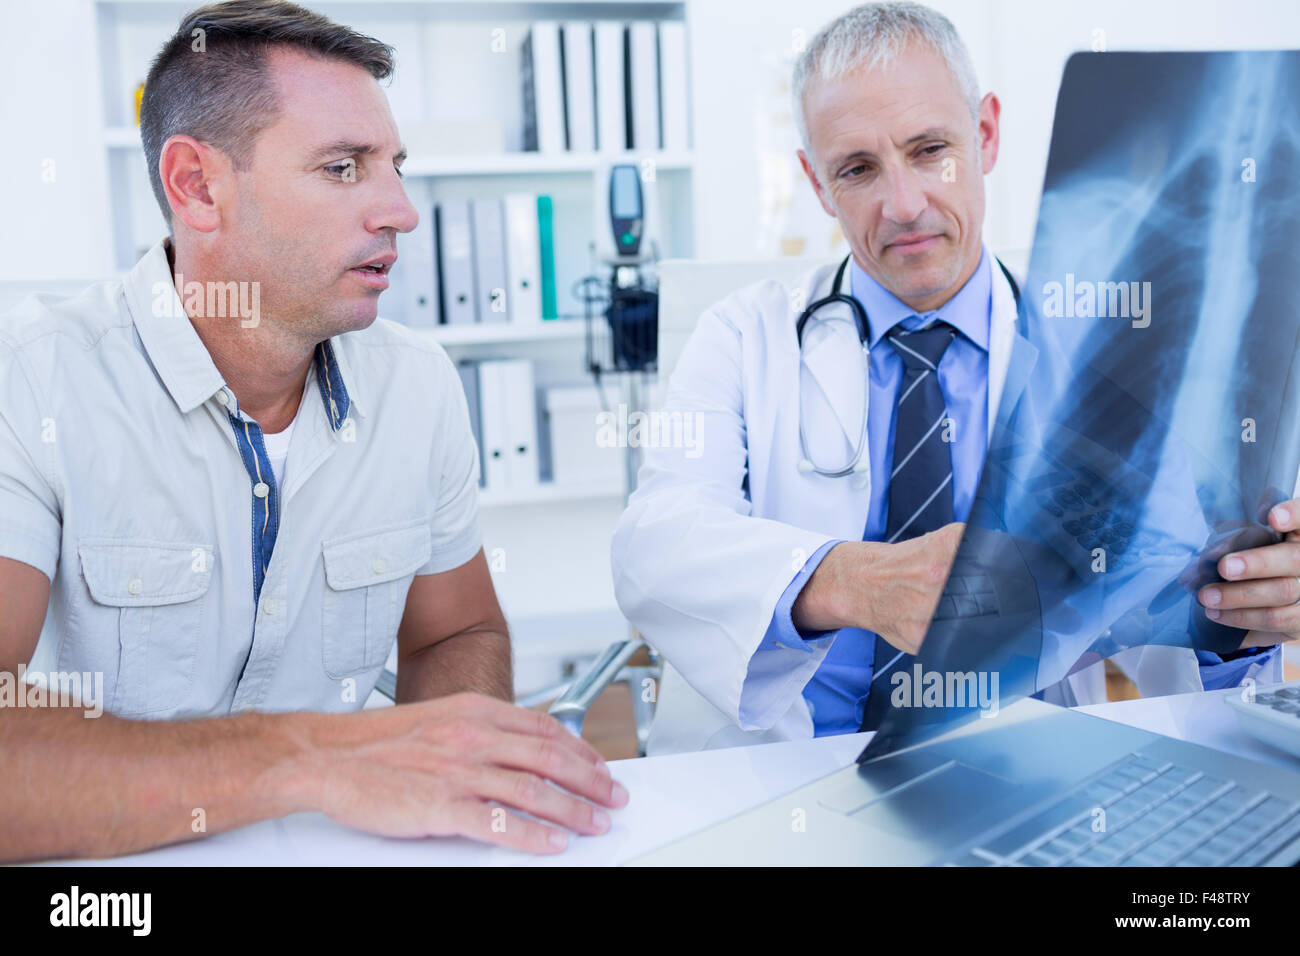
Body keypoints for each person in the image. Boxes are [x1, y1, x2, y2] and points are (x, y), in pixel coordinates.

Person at [0, 0, 626, 864]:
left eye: (394, 167)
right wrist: (316, 760)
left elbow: (457, 634)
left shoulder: (418, 385)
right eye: (342, 168)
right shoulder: (30, 379)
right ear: (197, 185)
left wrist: (461, 775)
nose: (402, 211)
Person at [612, 1, 1291, 755]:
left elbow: (1161, 612)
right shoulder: (742, 335)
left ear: (987, 135)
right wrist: (853, 580)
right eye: (858, 169)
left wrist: (1241, 605)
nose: (903, 207)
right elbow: (654, 543)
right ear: (815, 181)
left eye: (930, 149)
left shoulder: (1099, 338)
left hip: (1023, 768)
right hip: (792, 767)